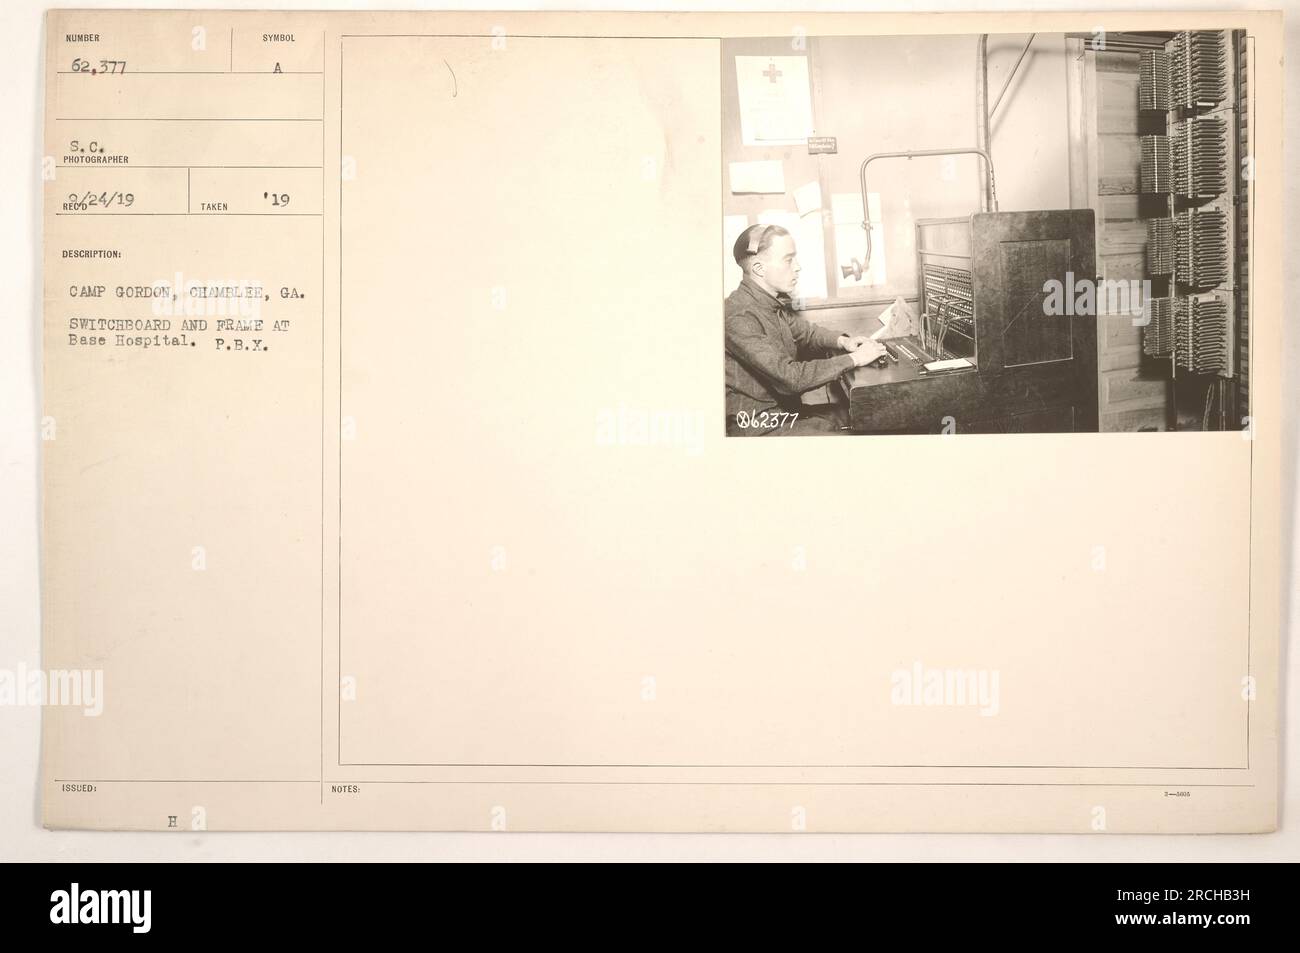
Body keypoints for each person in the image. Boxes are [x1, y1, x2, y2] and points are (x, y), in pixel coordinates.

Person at [725, 224, 885, 436]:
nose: (798, 266)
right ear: (759, 269)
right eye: (789, 259)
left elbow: (806, 333)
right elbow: (790, 378)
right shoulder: (739, 316)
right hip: (759, 426)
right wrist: (854, 359)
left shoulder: (768, 303)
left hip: (784, 414)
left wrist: (843, 341)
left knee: (873, 414)